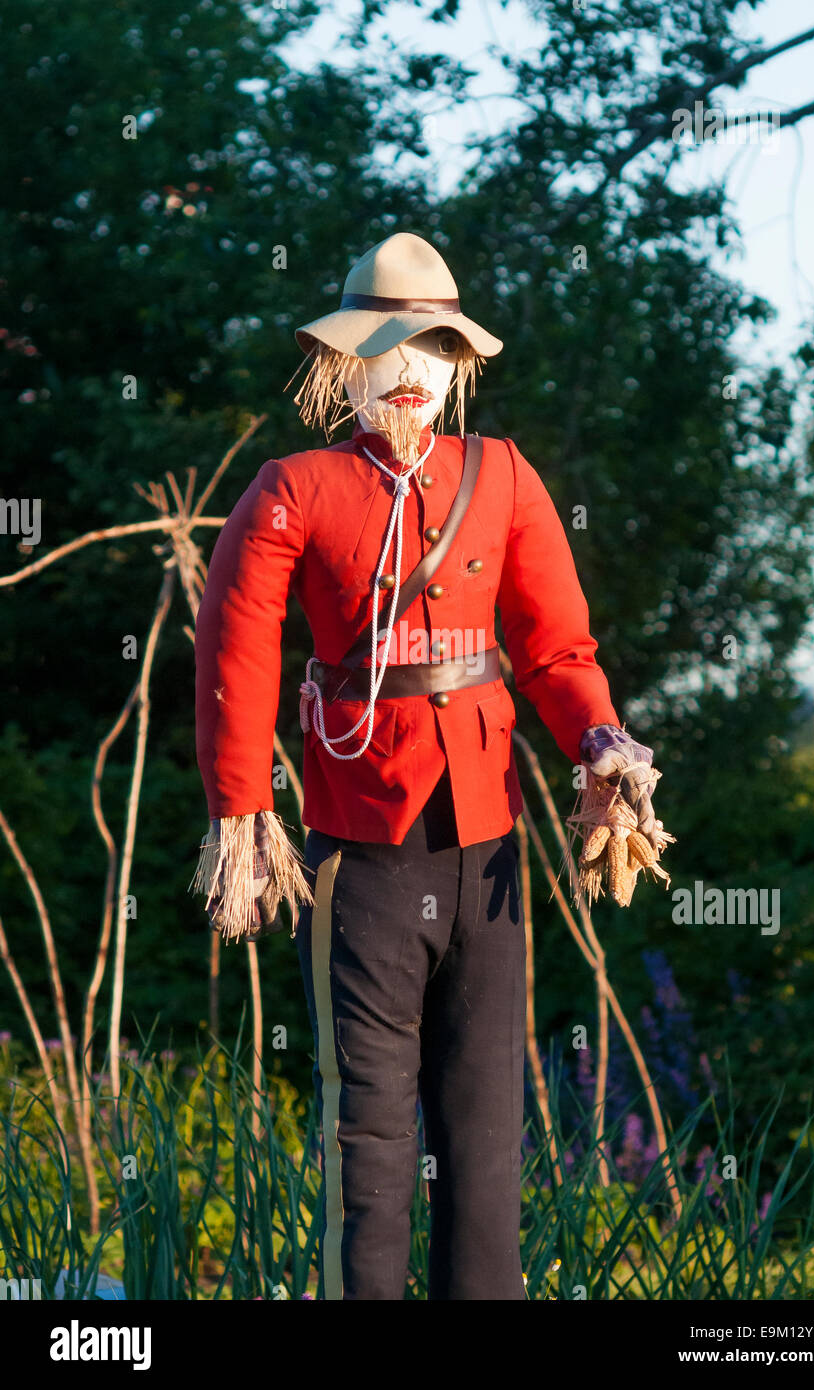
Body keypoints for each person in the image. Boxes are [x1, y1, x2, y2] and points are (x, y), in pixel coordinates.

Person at [192, 231, 661, 1299]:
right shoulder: (291, 489)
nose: (412, 369)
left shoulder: (500, 474)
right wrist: (237, 814)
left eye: (436, 347)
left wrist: (599, 744)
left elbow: (555, 651)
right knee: (368, 1149)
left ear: (459, 364)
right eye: (391, 346)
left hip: (487, 855)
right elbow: (235, 656)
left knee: (487, 1141)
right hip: (358, 859)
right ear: (346, 361)